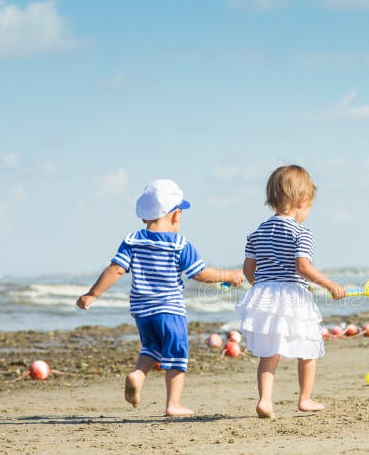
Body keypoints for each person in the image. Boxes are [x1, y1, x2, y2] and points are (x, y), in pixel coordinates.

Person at [76, 179, 243, 416]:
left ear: (145, 217)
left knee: (151, 347)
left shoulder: (133, 240)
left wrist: (92, 294)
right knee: (177, 354)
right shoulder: (179, 244)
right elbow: (200, 273)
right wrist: (229, 275)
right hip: (170, 309)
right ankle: (173, 404)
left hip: (142, 311)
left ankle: (138, 374)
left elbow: (116, 269)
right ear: (175, 215)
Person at [236, 165, 346, 419]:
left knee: (268, 352)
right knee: (308, 350)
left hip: (264, 295)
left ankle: (265, 400)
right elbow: (303, 267)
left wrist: (263, 287)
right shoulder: (302, 232)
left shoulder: (256, 233)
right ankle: (305, 399)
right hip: (292, 296)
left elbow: (248, 270)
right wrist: (330, 285)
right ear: (301, 201)